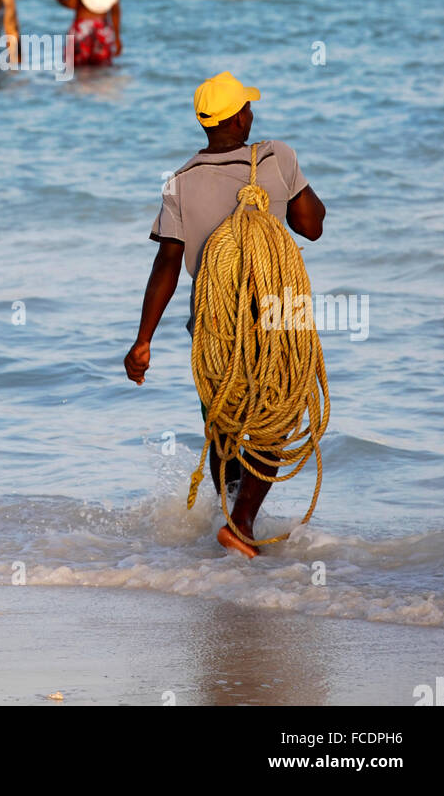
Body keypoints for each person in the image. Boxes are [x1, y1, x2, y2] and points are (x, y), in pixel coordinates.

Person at [123, 70, 326, 556]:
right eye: (247, 107)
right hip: (277, 313)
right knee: (275, 415)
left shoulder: (178, 182)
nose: (251, 113)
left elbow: (167, 263)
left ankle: (229, 519)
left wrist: (143, 340)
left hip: (213, 323)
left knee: (223, 423)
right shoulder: (275, 157)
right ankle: (242, 524)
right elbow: (312, 226)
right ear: (239, 118)